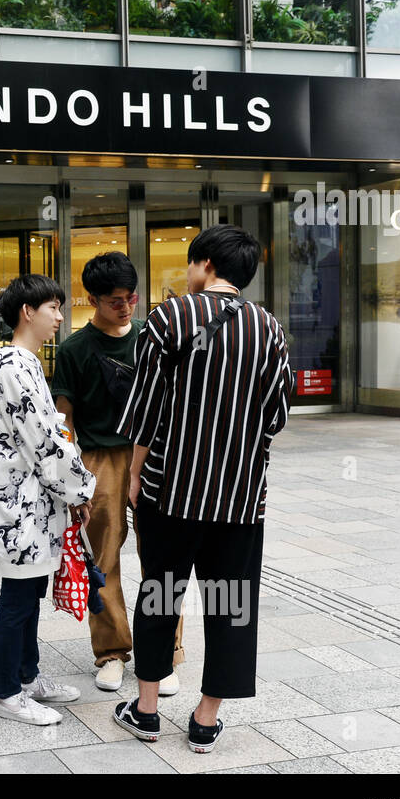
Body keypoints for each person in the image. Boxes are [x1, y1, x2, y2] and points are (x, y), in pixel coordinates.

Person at [112, 225, 293, 753]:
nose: (188, 272)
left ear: (206, 265)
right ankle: (206, 718)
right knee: (231, 599)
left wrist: (132, 476)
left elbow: (144, 409)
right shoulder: (269, 329)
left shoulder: (169, 317)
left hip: (170, 491)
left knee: (160, 593)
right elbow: (276, 417)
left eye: (192, 263)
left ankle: (146, 710)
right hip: (239, 497)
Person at [51, 252, 185, 694]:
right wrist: (71, 475)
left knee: (163, 558)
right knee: (102, 561)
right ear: (91, 300)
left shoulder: (152, 339)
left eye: (131, 297)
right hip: (99, 458)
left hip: (152, 454)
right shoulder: (74, 348)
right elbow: (63, 417)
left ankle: (164, 655)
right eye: (114, 301)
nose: (125, 306)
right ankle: (110, 653)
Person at [0, 273, 96, 725]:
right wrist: (82, 487)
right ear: (27, 312)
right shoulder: (13, 367)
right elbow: (44, 441)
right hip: (20, 504)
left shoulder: (18, 363)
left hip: (29, 501)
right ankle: (6, 691)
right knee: (18, 596)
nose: (60, 318)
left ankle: (27, 677)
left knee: (28, 593)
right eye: (53, 308)